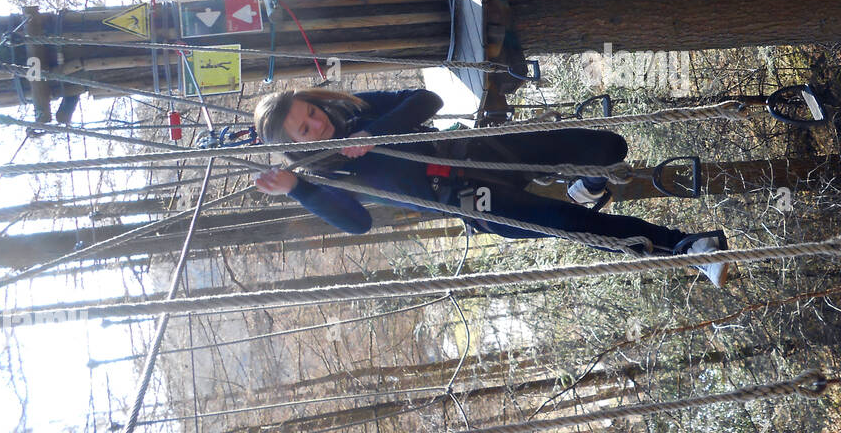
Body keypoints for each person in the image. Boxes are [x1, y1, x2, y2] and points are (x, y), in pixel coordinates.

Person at [251, 87, 731, 285]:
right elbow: (355, 224)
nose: (316, 124)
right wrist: (298, 188)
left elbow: (428, 98)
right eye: (304, 129)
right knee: (575, 226)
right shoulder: (324, 174)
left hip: (481, 150)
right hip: (472, 200)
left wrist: (375, 133)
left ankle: (586, 184)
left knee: (607, 148)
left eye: (309, 112)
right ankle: (690, 248)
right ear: (296, 145)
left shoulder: (352, 110)